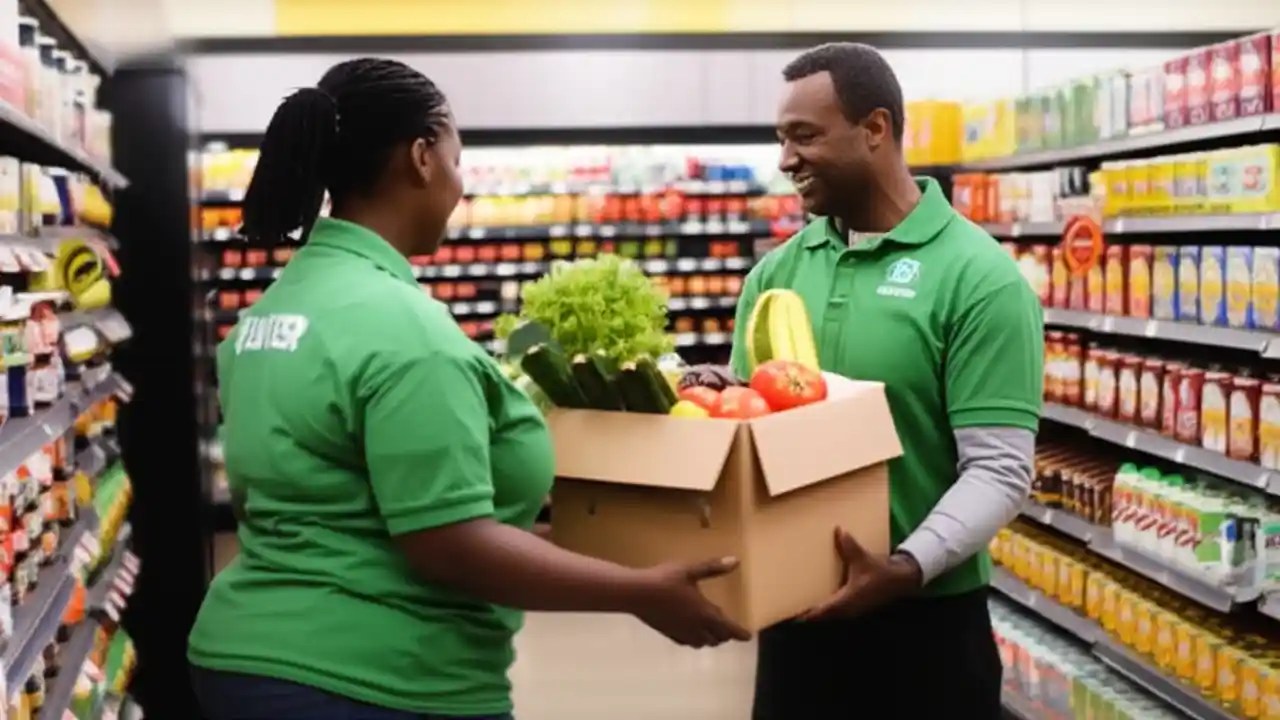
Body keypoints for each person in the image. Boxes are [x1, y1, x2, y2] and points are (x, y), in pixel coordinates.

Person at [186, 58, 750, 720]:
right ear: (423, 156)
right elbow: (449, 541)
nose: (461, 182)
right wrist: (638, 589)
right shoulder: (405, 330)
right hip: (373, 680)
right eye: (458, 156)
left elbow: (350, 514)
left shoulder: (278, 308)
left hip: (246, 657)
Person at [731, 43, 1043, 719]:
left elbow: (998, 468)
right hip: (796, 627)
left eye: (805, 136)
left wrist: (902, 568)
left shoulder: (978, 278)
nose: (786, 160)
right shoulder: (775, 275)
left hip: (926, 628)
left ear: (875, 129)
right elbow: (745, 434)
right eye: (781, 139)